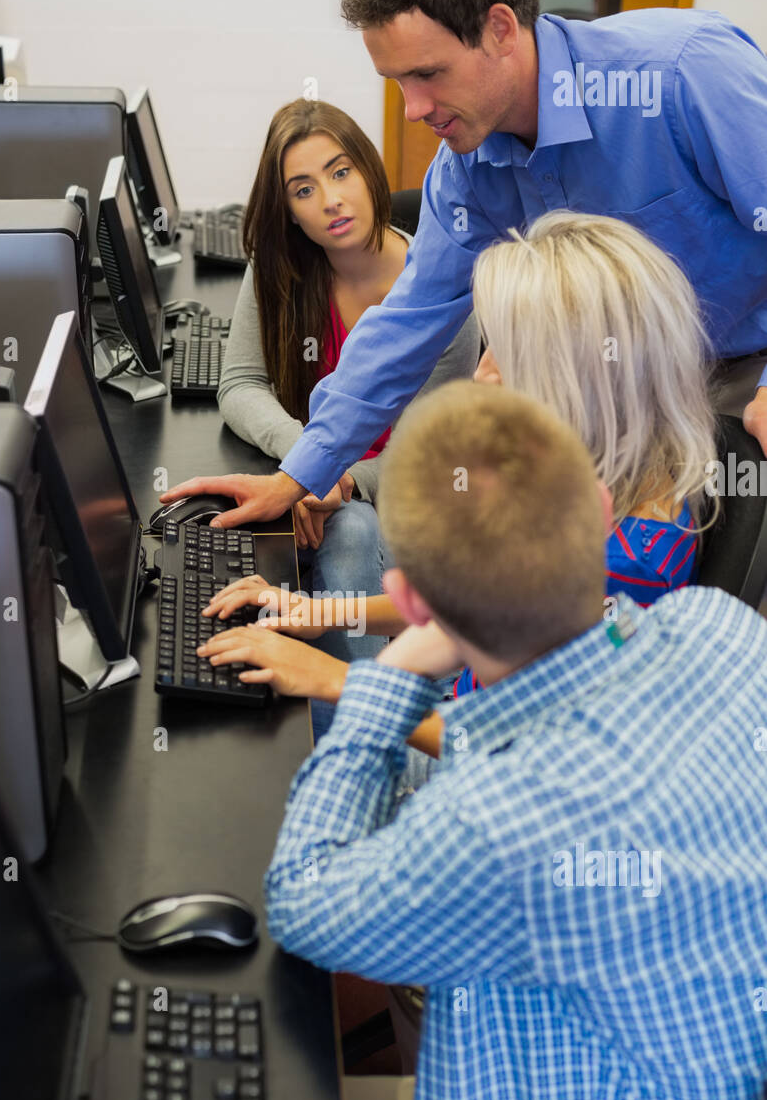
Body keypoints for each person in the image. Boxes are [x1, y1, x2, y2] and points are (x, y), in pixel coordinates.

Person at [263, 379, 767, 1100]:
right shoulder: (720, 628)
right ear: (601, 512)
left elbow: (302, 898)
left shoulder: (494, 823)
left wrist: (393, 673)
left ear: (411, 603)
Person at [159, 0, 767, 529]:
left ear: (500, 29)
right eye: (397, 81)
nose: (413, 109)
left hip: (744, 370)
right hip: (615, 397)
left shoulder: (683, 73)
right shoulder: (466, 170)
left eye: (427, 74)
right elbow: (407, 322)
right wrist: (298, 475)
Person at [195, 210, 718, 760]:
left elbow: (502, 753)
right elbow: (478, 608)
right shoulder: (599, 478)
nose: (482, 374)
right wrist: (314, 611)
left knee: (268, 727)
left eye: (510, 356)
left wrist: (331, 679)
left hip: (475, 759)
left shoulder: (623, 567)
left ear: (584, 379)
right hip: (459, 701)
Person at [218, 98, 478, 735]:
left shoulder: (438, 291)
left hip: (406, 505)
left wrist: (341, 483)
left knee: (353, 528)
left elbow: (426, 459)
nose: (330, 200)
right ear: (287, 210)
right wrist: (311, 464)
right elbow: (241, 385)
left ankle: (362, 738)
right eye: (303, 189)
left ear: (369, 170)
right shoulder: (279, 271)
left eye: (341, 173)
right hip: (315, 494)